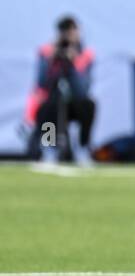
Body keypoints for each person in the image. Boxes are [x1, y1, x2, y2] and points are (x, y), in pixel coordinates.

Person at [26, 16, 96, 166]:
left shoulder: (85, 54)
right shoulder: (47, 52)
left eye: (73, 31)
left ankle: (83, 148)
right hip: (52, 100)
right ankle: (49, 147)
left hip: (74, 103)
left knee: (89, 105)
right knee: (49, 107)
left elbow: (83, 89)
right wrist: (53, 60)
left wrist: (73, 64)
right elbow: (42, 82)